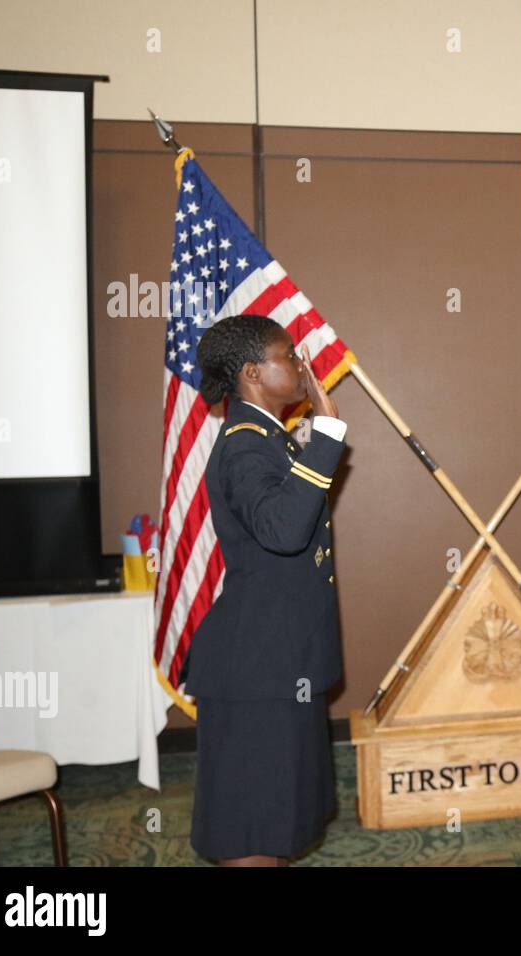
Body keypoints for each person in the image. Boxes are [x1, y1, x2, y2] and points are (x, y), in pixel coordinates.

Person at [186, 314, 348, 867]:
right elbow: (283, 531)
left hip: (279, 661)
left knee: (275, 823)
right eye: (289, 356)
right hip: (256, 670)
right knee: (251, 833)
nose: (302, 366)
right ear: (254, 372)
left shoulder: (267, 439)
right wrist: (325, 437)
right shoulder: (245, 446)